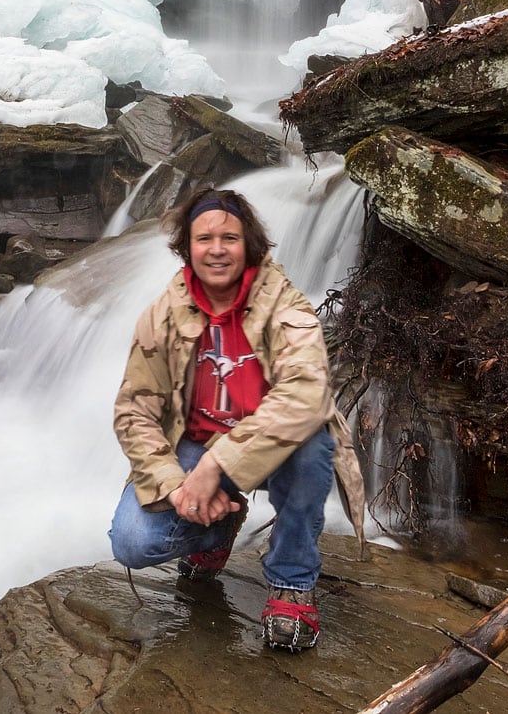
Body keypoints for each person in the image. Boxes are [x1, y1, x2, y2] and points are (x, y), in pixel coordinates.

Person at [109, 186, 365, 651]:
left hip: (275, 448)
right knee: (131, 542)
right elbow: (134, 410)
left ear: (248, 244)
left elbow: (307, 395)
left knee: (313, 444)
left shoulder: (286, 306)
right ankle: (218, 527)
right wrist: (175, 487)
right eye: (204, 238)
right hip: (196, 440)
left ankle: (291, 581)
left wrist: (214, 468)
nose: (217, 249)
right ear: (187, 247)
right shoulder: (163, 315)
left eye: (229, 237)